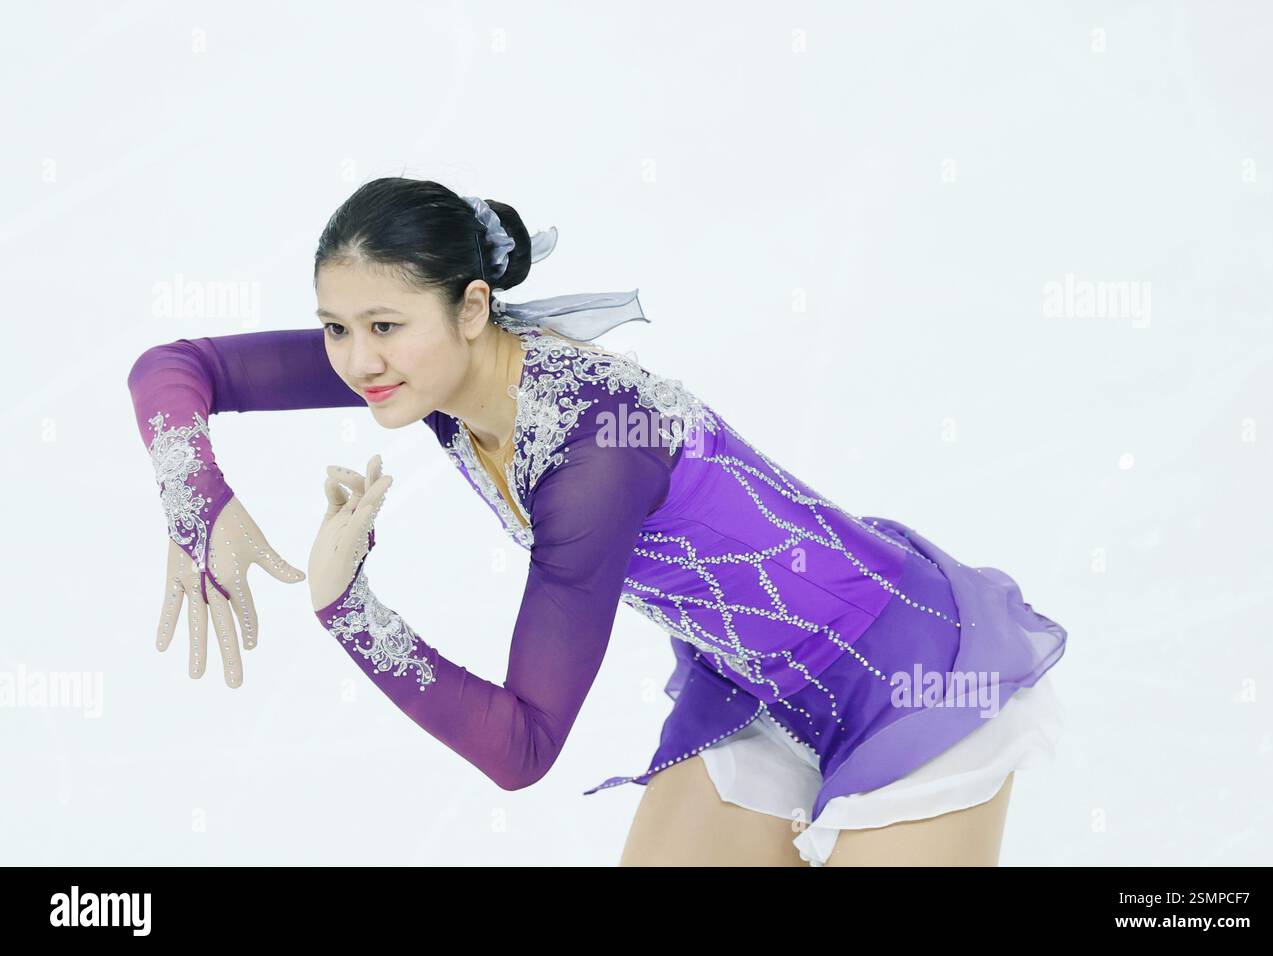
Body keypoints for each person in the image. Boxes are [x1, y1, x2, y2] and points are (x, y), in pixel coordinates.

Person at [126, 177, 1068, 866]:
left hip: (908, 675)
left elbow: (520, 745)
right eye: (336, 327)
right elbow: (177, 368)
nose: (357, 360)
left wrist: (346, 605)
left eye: (383, 325)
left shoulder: (593, 457)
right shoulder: (442, 369)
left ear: (473, 307)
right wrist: (197, 502)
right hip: (757, 683)